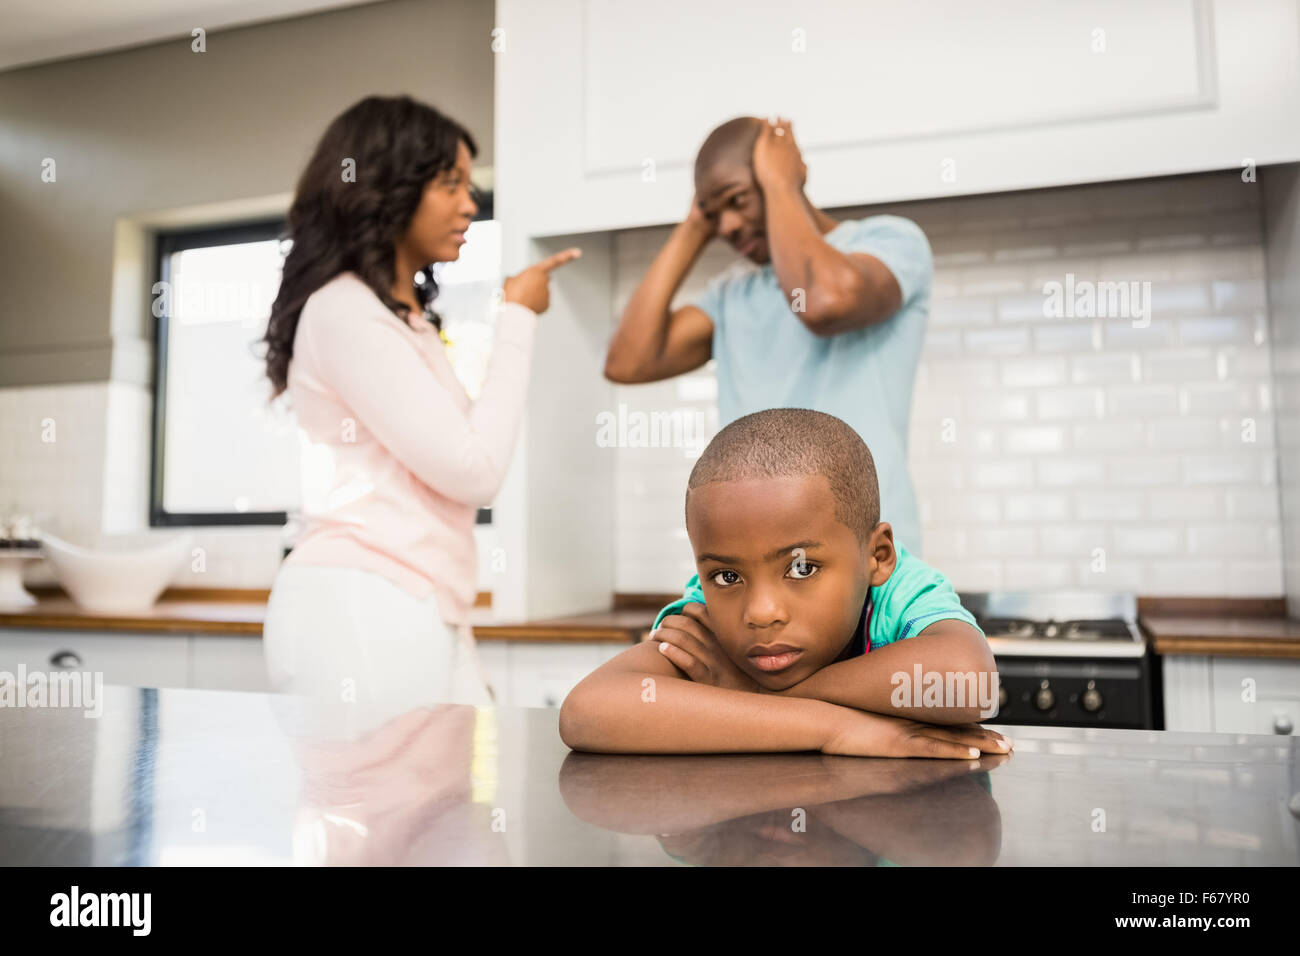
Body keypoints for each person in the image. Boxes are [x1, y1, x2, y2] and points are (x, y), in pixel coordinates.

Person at [260, 94, 578, 709]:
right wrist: (516, 317)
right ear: (387, 188)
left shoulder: (400, 321)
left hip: (404, 600)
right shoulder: (345, 310)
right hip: (362, 603)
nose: (470, 202)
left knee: (432, 803)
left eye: (470, 185)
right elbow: (475, 470)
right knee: (384, 806)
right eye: (450, 183)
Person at [559, 408, 1008, 758]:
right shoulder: (707, 614)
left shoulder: (901, 592)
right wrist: (835, 728)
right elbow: (588, 712)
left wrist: (750, 692)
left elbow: (970, 684)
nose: (760, 612)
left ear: (877, 556)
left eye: (801, 568)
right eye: (727, 575)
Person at [604, 115, 932, 556]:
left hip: (865, 557)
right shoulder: (731, 293)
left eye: (738, 201)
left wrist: (782, 185)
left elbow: (822, 303)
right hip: (757, 559)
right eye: (714, 214)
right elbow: (629, 361)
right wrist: (693, 227)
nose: (728, 227)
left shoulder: (889, 241)